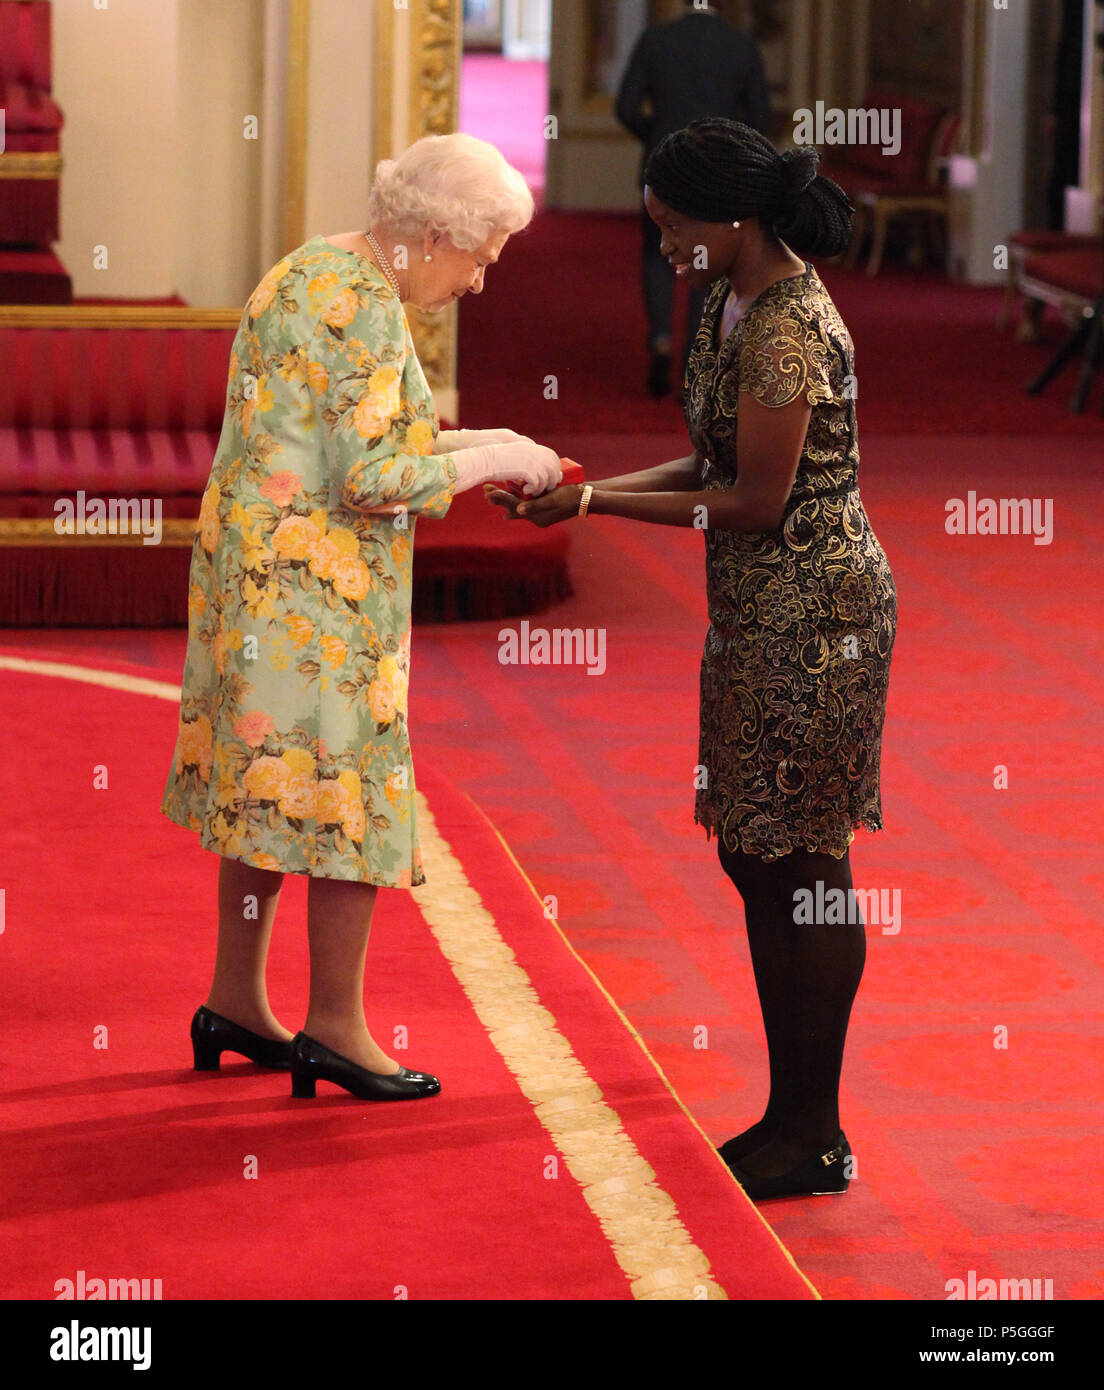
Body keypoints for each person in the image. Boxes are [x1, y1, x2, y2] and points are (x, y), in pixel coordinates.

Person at [490, 119, 897, 1201]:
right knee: (754, 852)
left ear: (735, 215)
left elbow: (758, 503)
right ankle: (786, 1115)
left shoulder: (788, 328)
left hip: (819, 611)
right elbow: (715, 460)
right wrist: (594, 483)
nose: (662, 245)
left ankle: (815, 1130)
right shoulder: (728, 301)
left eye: (673, 228)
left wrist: (594, 502)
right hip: (761, 608)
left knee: (802, 858)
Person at [161, 133, 559, 1102]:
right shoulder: (372, 309)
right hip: (319, 599)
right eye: (482, 253)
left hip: (249, 581)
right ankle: (334, 1027)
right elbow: (377, 476)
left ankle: (235, 999)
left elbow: (380, 435)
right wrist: (500, 462)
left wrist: (497, 437)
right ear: (431, 234)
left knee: (264, 785)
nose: (480, 280)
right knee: (345, 795)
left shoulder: (310, 266)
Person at [615, 0, 770, 398]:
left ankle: (661, 340)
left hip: (662, 168)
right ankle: (694, 362)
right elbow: (760, 121)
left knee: (657, 256)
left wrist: (658, 138)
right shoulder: (740, 45)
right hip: (715, 176)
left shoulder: (656, 39)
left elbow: (625, 106)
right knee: (709, 267)